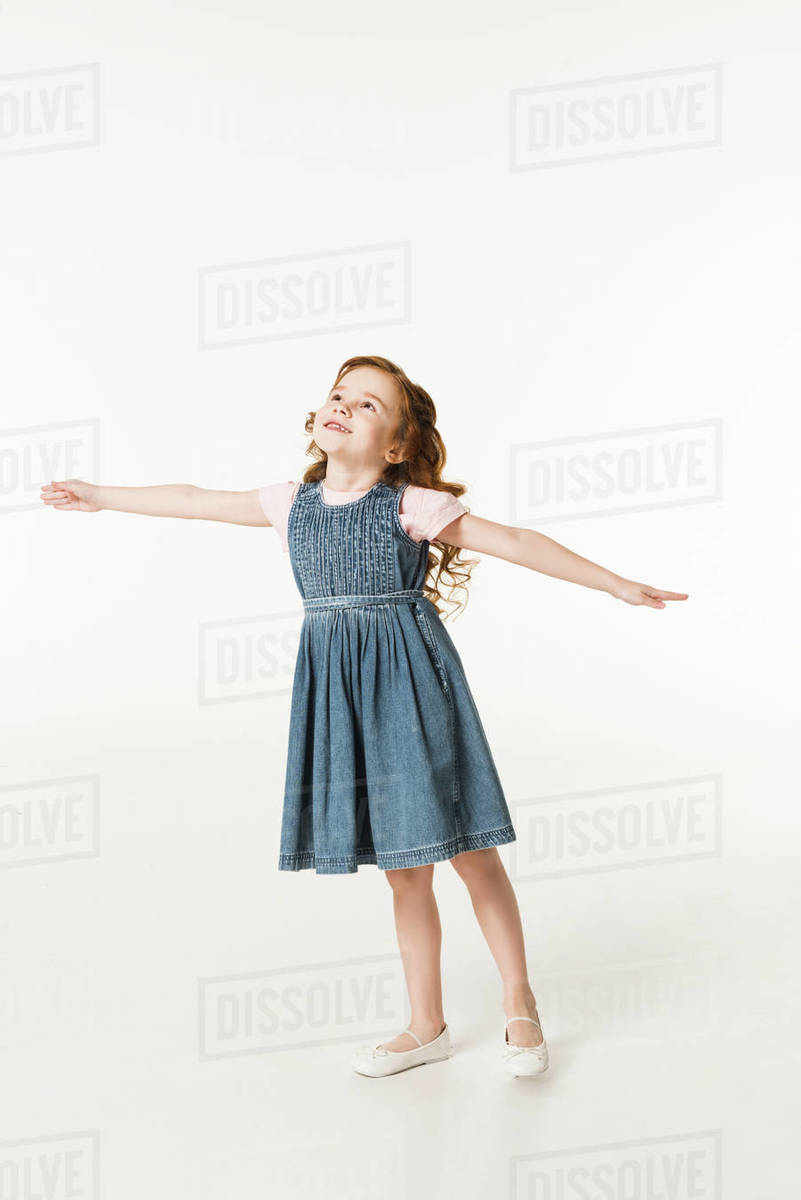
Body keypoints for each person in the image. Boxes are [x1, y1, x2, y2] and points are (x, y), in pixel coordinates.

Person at [39, 353, 688, 1080]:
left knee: (469, 849)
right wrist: (98, 495)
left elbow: (514, 542)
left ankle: (519, 1001)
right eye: (339, 394)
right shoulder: (289, 503)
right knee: (404, 870)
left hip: (412, 683)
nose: (344, 406)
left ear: (398, 445)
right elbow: (192, 498)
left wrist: (613, 583)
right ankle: (425, 1024)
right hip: (339, 692)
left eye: (369, 404)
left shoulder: (411, 505)